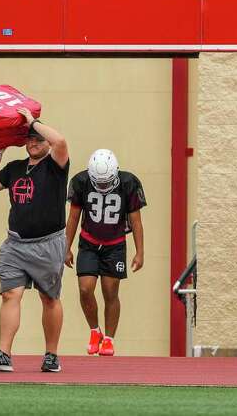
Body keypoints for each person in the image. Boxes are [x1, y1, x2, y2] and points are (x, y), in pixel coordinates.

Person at [0, 107, 70, 374]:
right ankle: (3, 354)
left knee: (49, 298)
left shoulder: (55, 165)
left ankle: (51, 355)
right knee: (10, 294)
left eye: (38, 138)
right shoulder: (16, 168)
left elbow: (61, 141)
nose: (33, 142)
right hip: (15, 244)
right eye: (29, 138)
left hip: (47, 243)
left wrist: (33, 122)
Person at [64, 149, 147, 356]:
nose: (102, 186)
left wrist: (140, 251)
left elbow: (135, 220)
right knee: (85, 289)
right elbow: (73, 217)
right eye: (98, 183)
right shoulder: (81, 181)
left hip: (115, 244)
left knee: (110, 292)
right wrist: (65, 247)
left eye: (106, 182)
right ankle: (95, 331)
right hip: (89, 242)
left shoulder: (128, 183)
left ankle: (109, 339)